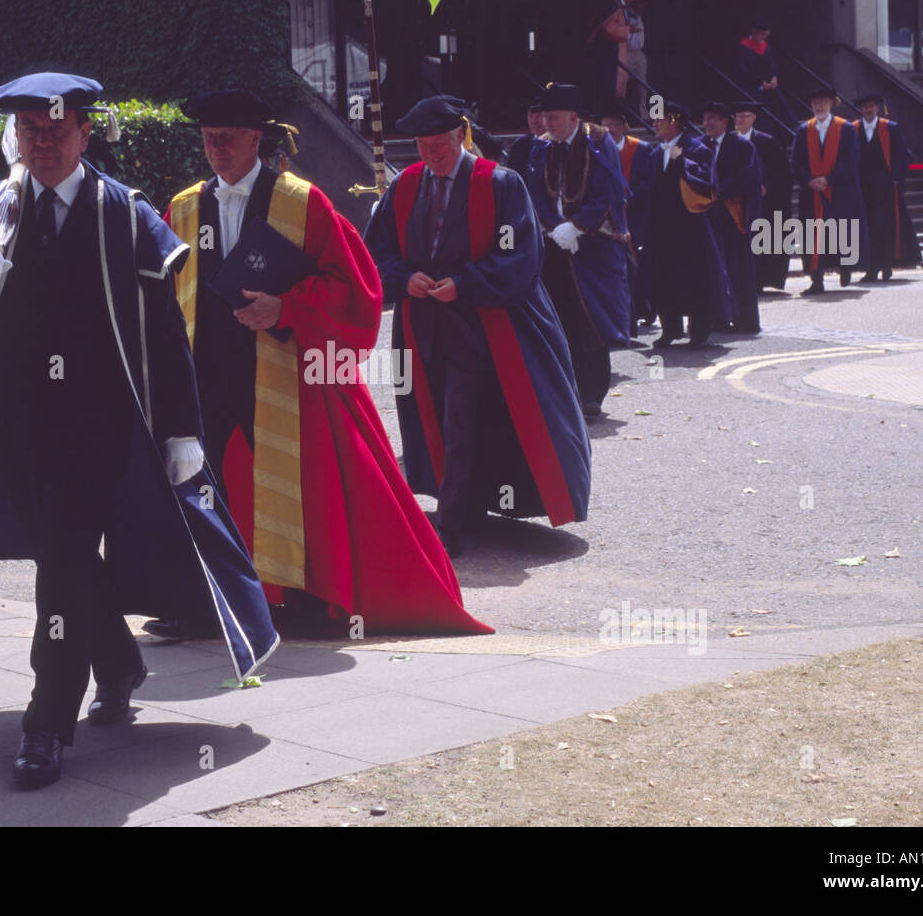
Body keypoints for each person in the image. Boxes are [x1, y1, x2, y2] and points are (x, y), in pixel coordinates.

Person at [0, 73, 278, 789]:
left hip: (99, 425)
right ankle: (118, 661)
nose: (43, 143)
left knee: (62, 554)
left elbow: (163, 332)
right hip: (10, 426)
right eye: (30, 131)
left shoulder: (127, 214)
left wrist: (183, 430)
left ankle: (45, 723)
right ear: (15, 137)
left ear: (87, 133)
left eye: (57, 130)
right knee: (62, 555)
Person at [161, 89, 488, 632]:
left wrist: (286, 307)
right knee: (203, 485)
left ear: (256, 140)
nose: (217, 149)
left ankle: (307, 601)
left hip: (286, 366)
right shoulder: (183, 207)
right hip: (205, 369)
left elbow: (355, 289)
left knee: (299, 484)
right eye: (209, 138)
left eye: (229, 138)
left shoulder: (304, 202)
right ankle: (200, 603)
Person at [365, 95, 592, 557]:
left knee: (461, 417)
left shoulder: (501, 184)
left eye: (440, 145)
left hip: (487, 325)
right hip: (422, 326)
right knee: (434, 418)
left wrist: (466, 284)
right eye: (422, 146)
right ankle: (464, 507)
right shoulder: (405, 186)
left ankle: (448, 528)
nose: (430, 155)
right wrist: (404, 277)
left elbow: (522, 255)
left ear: (460, 136)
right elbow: (377, 251)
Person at [526, 83, 633, 419]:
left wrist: (577, 226)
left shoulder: (599, 141)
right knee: (558, 317)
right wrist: (554, 225)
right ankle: (565, 392)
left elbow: (608, 192)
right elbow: (536, 193)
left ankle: (592, 395)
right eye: (544, 116)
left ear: (573, 118)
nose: (547, 123)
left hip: (592, 245)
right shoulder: (542, 146)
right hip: (555, 241)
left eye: (553, 117)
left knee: (591, 318)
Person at [643, 100, 735, 347]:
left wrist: (682, 161)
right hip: (661, 228)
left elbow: (708, 183)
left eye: (659, 120)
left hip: (691, 228)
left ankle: (698, 331)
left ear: (674, 121)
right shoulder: (655, 153)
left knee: (695, 279)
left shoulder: (697, 149)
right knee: (664, 279)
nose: (654, 124)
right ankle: (670, 329)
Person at [791, 85, 869, 294]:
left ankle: (845, 267)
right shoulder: (803, 130)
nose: (819, 106)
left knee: (840, 233)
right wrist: (809, 180)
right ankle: (816, 280)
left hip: (840, 192)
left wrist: (829, 179)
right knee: (812, 237)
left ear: (831, 104)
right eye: (815, 103)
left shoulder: (845, 128)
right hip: (812, 193)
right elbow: (796, 162)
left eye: (823, 102)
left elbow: (850, 161)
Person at [698, 101, 762, 333]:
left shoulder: (743, 147)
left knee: (739, 269)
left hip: (734, 215)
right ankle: (717, 318)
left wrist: (715, 190)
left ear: (725, 121)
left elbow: (749, 180)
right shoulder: (697, 146)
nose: (707, 124)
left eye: (712, 119)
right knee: (711, 269)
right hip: (705, 216)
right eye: (704, 119)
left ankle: (745, 320)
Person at [853, 93, 922, 280]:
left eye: (871, 106)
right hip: (863, 188)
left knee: (885, 227)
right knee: (868, 229)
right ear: (861, 109)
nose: (868, 109)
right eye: (865, 106)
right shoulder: (853, 129)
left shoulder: (890, 128)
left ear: (877, 108)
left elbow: (904, 154)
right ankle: (872, 268)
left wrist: (896, 178)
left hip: (885, 187)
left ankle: (886, 266)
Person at [601, 106, 654, 330]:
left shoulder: (641, 149)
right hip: (609, 216)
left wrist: (629, 199)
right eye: (605, 124)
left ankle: (649, 308)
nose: (609, 129)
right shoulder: (597, 149)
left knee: (640, 263)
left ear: (625, 126)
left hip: (635, 215)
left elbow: (649, 182)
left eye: (614, 124)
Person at [733, 100, 793, 291]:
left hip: (763, 202)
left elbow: (782, 171)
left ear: (754, 118)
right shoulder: (728, 141)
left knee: (763, 240)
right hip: (736, 201)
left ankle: (761, 281)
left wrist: (767, 186)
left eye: (745, 116)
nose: (740, 119)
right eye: (738, 116)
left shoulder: (766, 141)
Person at [733, 18, 795, 128]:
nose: (764, 37)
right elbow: (746, 71)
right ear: (754, 32)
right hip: (751, 86)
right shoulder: (744, 47)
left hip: (767, 83)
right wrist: (760, 83)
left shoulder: (765, 47)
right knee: (760, 109)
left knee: (781, 103)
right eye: (762, 34)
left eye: (766, 35)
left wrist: (774, 78)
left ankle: (793, 127)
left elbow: (772, 66)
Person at [587, 0, 640, 106]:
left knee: (615, 83)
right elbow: (607, 29)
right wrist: (628, 30)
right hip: (609, 51)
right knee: (609, 83)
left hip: (615, 50)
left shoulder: (620, 7)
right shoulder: (613, 6)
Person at [506, 102, 545, 184]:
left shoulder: (556, 144)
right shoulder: (520, 145)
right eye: (531, 116)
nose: (534, 121)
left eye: (538, 116)